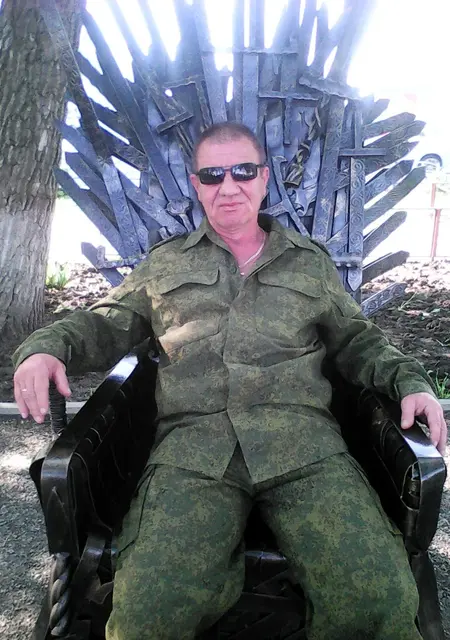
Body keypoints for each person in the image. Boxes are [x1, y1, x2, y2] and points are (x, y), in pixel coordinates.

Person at [13, 122, 447, 640]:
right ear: (196, 185)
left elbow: (359, 341)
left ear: (263, 178)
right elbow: (104, 322)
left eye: (243, 171)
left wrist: (411, 382)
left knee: (379, 601)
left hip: (303, 448)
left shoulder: (308, 264)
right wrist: (44, 349)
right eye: (213, 175)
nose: (229, 186)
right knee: (147, 614)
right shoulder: (167, 264)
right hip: (193, 454)